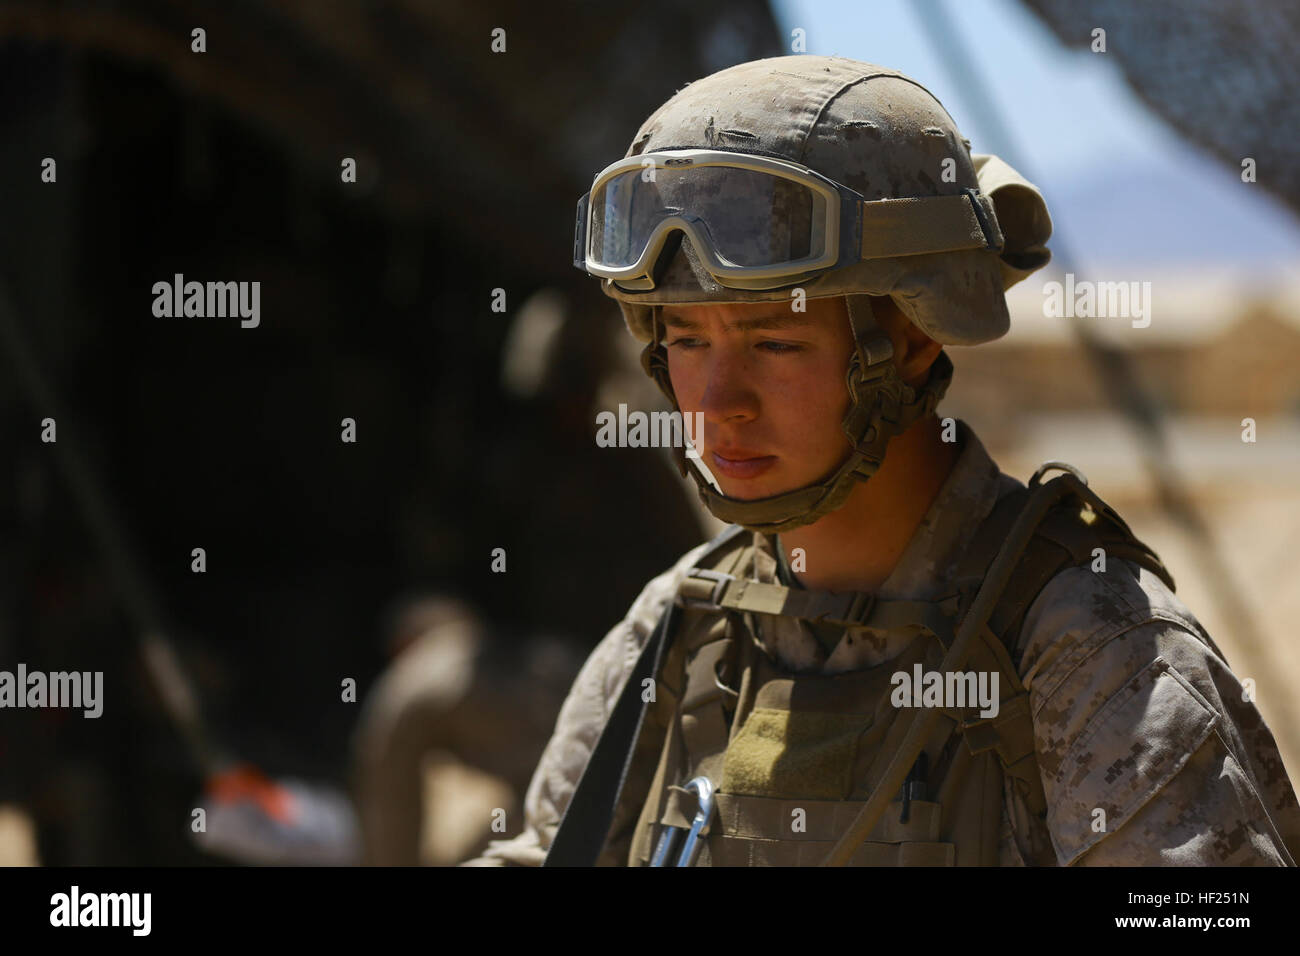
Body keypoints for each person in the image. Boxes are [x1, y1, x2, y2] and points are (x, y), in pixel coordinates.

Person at [462, 55, 1300, 866]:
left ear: (908, 338)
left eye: (776, 342)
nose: (717, 404)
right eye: (685, 340)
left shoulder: (1082, 657)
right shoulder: (680, 631)